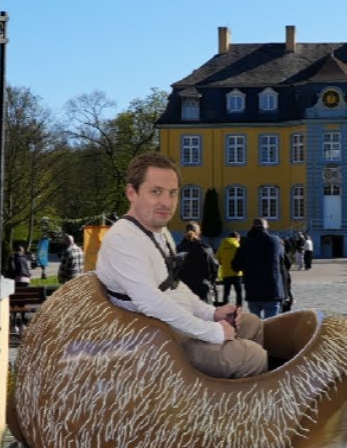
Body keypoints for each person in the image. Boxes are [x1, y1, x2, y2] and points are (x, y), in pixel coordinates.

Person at [96, 152, 268, 378]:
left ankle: (234, 401)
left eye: (173, 193)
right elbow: (151, 303)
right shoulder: (122, 239)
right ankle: (237, 409)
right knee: (252, 356)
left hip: (177, 327)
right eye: (156, 192)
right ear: (132, 192)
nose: (166, 202)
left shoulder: (160, 232)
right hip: (159, 341)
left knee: (252, 324)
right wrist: (212, 331)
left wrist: (212, 312)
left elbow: (175, 287)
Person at [231, 218, 287, 319]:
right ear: (267, 227)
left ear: (252, 227)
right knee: (271, 325)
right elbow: (286, 263)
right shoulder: (275, 241)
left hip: (253, 291)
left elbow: (235, 266)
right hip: (273, 291)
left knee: (256, 327)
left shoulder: (245, 243)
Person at [176, 221, 219, 303]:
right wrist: (211, 283)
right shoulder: (205, 249)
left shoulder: (178, 249)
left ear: (184, 233)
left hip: (183, 292)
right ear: (199, 233)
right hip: (202, 291)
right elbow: (214, 268)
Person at [217, 231, 244, 307]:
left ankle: (226, 307)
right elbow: (242, 257)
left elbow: (218, 259)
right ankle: (239, 306)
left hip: (226, 272)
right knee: (239, 292)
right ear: (237, 238)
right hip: (237, 273)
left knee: (226, 292)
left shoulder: (222, 246)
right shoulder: (237, 245)